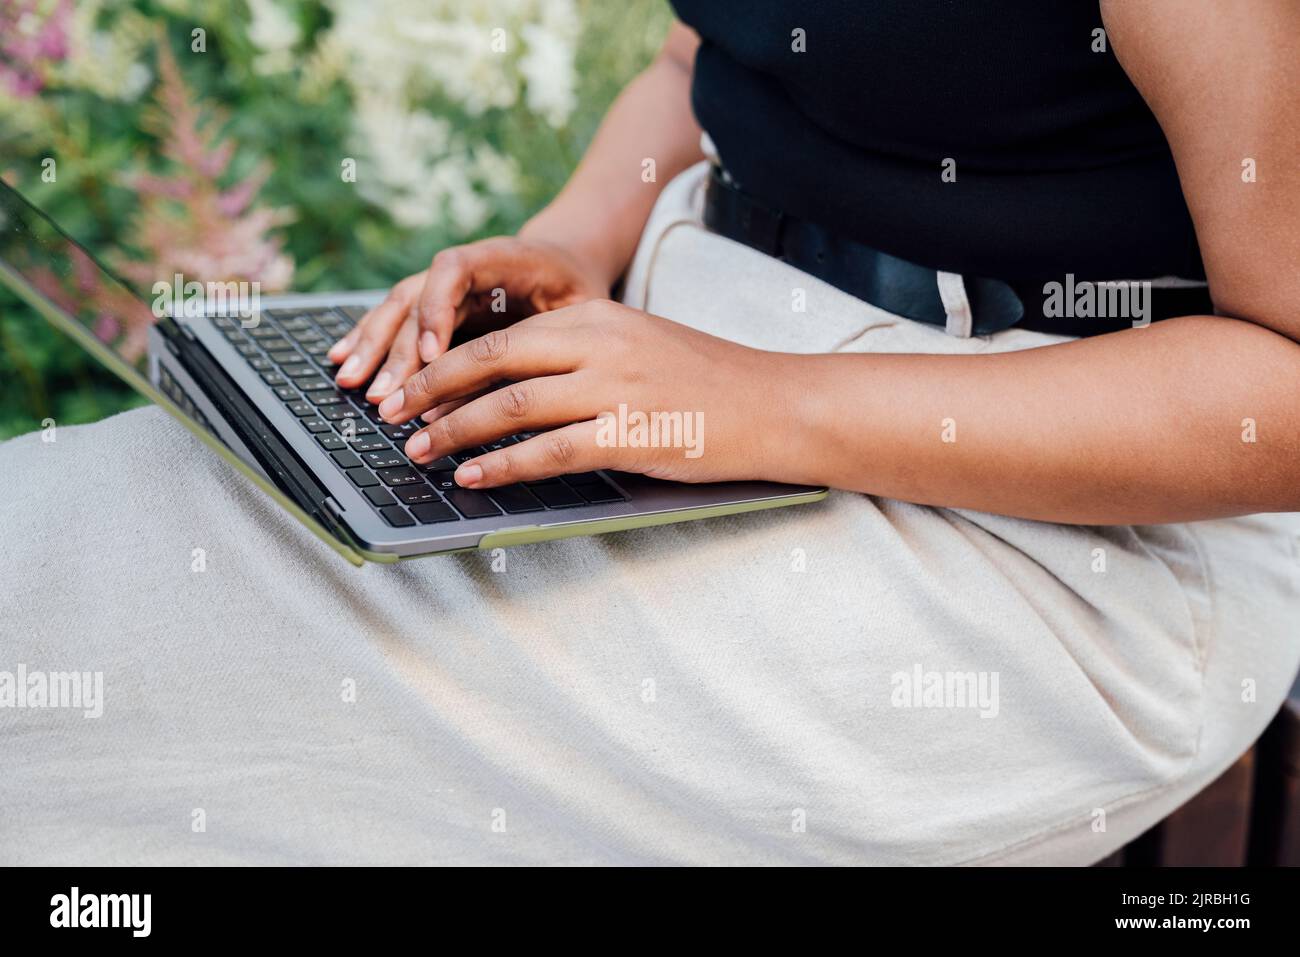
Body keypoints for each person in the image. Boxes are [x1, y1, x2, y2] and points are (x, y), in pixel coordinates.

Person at [2, 0, 1297, 865]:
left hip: (1070, 534)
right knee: (75, 550)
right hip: (694, 341)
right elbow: (700, 66)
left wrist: (757, 398)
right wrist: (575, 245)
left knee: (136, 677)